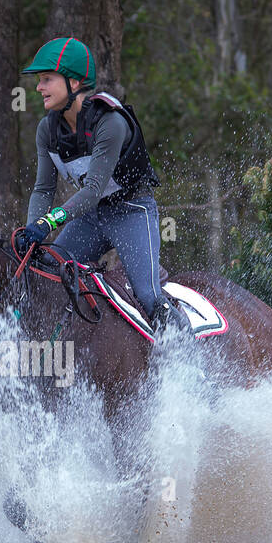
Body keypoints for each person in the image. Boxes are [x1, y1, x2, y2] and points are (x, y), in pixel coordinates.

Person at [16, 37, 191, 341]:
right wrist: (32, 229)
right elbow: (43, 188)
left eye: (46, 79)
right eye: (39, 81)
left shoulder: (110, 121)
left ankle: (192, 360)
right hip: (91, 218)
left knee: (148, 296)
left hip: (131, 211)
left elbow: (94, 189)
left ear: (74, 82)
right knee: (45, 273)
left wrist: (48, 223)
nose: (38, 88)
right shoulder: (47, 129)